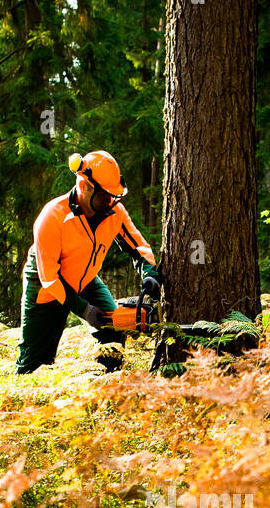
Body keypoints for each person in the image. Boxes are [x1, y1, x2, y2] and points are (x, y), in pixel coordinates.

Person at [16, 149, 161, 374]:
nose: (111, 200)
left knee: (113, 333)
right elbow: (50, 279)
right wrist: (84, 310)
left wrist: (150, 273)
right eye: (106, 194)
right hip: (45, 287)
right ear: (85, 186)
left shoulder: (114, 212)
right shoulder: (52, 217)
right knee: (34, 365)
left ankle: (105, 387)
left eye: (114, 195)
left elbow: (138, 246)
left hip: (85, 279)